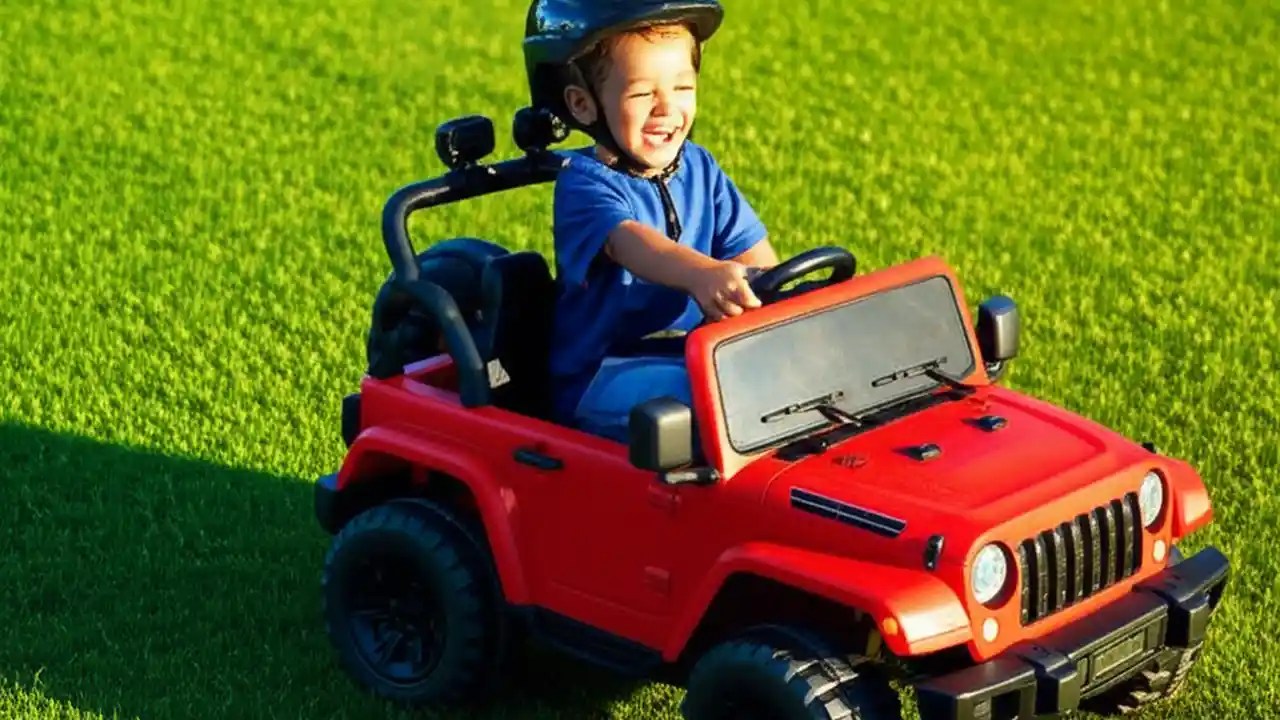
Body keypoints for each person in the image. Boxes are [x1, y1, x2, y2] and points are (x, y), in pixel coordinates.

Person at [523, 1, 780, 441]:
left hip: (691, 354)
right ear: (583, 105)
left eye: (683, 88)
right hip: (602, 374)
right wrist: (702, 275)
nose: (666, 109)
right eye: (643, 94)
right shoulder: (584, 186)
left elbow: (758, 259)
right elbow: (632, 245)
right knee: (726, 408)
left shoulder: (700, 169)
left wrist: (787, 300)